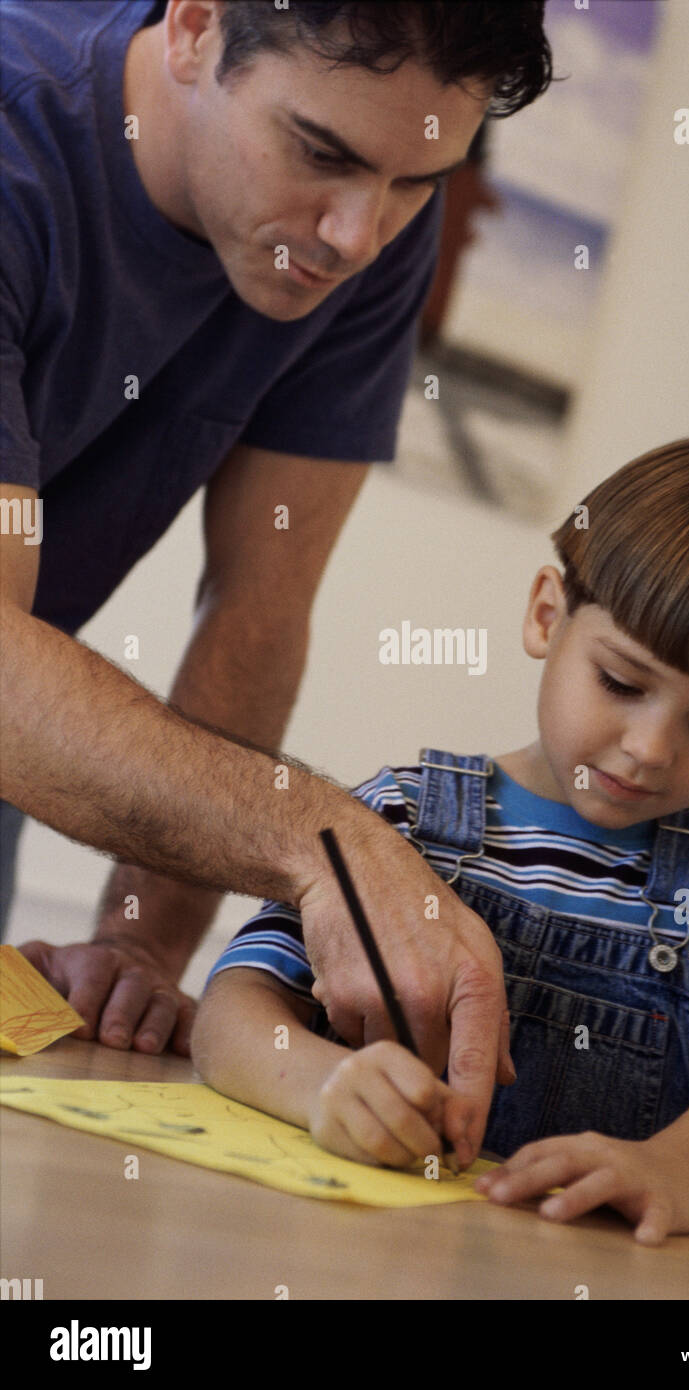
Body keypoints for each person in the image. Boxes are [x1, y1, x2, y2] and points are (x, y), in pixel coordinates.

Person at [0, 0, 552, 1158]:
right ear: (197, 27)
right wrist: (317, 839)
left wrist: (142, 946)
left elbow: (255, 612)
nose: (359, 234)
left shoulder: (361, 237)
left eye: (417, 180)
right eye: (321, 153)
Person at [191, 436, 689, 1243]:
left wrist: (679, 1168)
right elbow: (231, 1013)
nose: (651, 749)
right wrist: (321, 1084)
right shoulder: (399, 820)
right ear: (547, 615)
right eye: (621, 682)